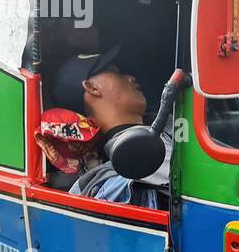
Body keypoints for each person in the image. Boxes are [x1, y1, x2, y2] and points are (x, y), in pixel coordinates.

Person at [50, 45, 170, 207]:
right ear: (92, 88)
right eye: (115, 71)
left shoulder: (172, 123)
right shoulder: (117, 179)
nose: (130, 77)